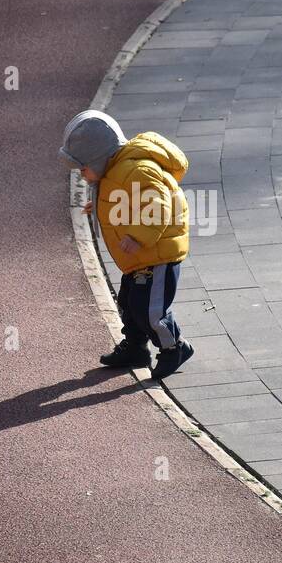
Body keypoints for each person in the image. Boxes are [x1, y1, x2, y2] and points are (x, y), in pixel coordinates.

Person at [59, 110, 195, 380]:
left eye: (83, 168)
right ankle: (135, 347)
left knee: (151, 311)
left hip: (156, 255)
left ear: (99, 158)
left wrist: (138, 236)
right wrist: (99, 206)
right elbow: (123, 199)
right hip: (140, 259)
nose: (83, 176)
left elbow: (158, 203)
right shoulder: (114, 170)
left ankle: (174, 347)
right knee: (129, 304)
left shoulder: (136, 170)